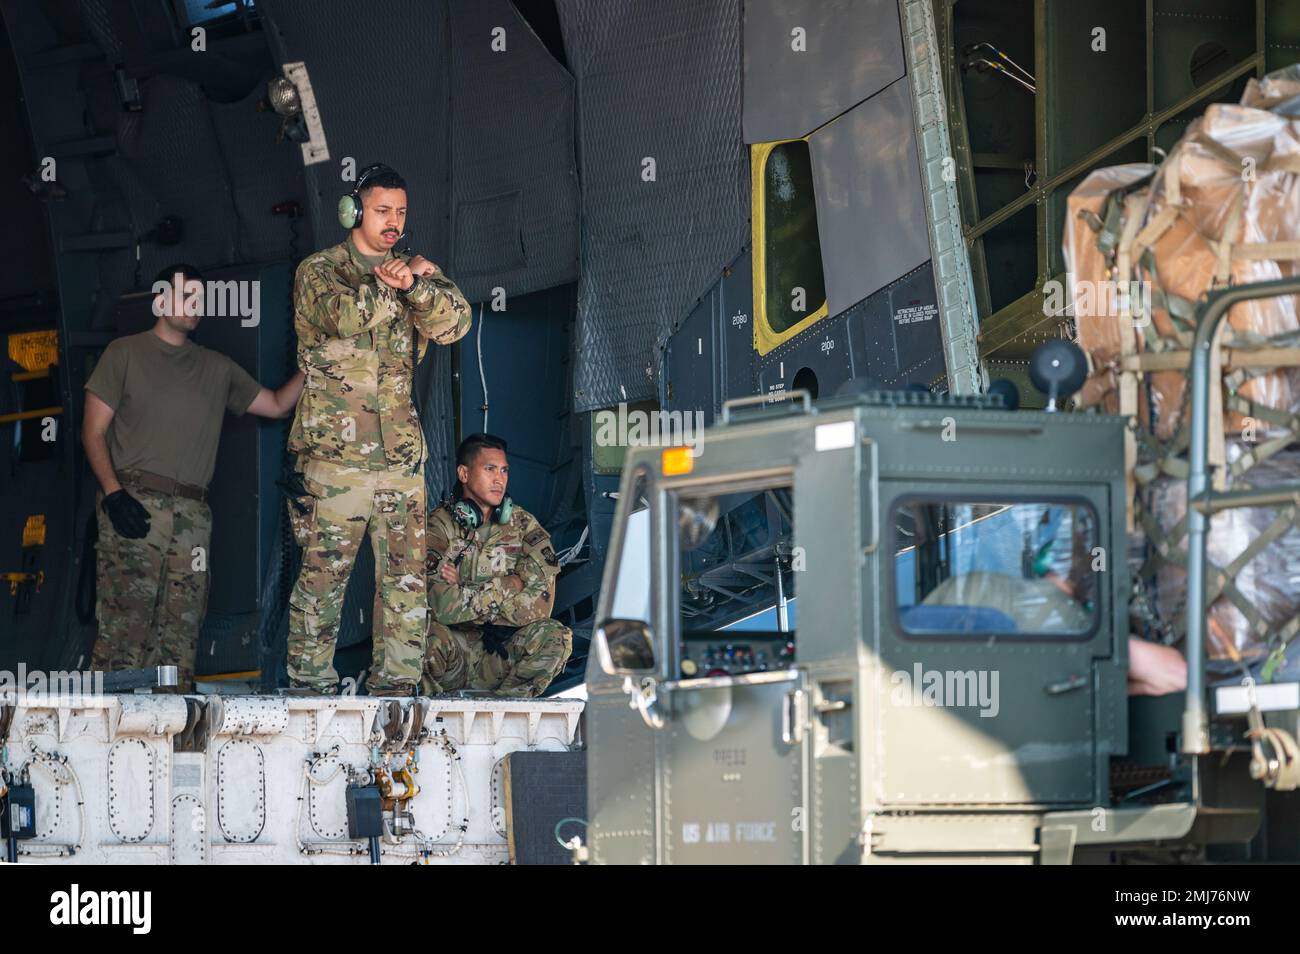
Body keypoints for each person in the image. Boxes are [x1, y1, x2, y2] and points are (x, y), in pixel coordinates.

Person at [285, 163, 471, 695]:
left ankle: (396, 692)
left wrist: (414, 284)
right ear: (354, 211)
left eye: (401, 212)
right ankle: (308, 692)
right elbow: (342, 317)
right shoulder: (319, 271)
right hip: (336, 461)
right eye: (383, 210)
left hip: (400, 462)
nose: (393, 221)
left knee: (407, 585)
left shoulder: (411, 274)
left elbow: (455, 322)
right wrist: (395, 284)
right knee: (324, 580)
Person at [83, 263, 305, 691]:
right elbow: (92, 431)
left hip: (192, 516)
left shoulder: (217, 367)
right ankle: (101, 729)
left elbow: (277, 404)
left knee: (181, 634)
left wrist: (316, 365)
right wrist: (113, 494)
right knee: (125, 628)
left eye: (201, 300)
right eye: (188, 298)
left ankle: (168, 731)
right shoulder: (124, 353)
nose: (196, 306)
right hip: (134, 502)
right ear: (161, 301)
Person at [422, 434, 573, 697]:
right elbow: (441, 606)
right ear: (464, 473)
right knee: (422, 632)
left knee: (555, 636)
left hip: (500, 654)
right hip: (453, 654)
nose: (499, 479)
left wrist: (466, 590)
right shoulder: (440, 526)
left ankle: (507, 715)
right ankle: (431, 720)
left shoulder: (523, 525)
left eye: (504, 470)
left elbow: (539, 608)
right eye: (489, 469)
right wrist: (510, 584)